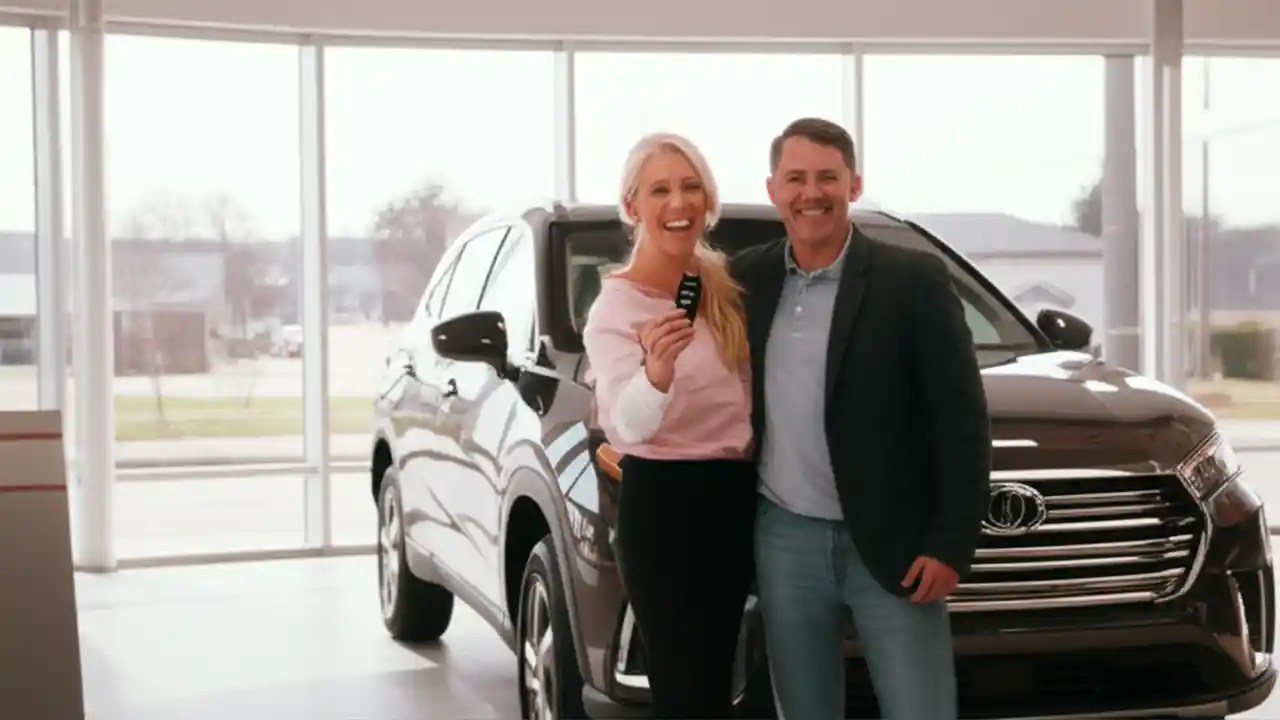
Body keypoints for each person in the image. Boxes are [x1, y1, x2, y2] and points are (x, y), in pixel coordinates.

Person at [729, 117, 991, 719]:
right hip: (784, 538)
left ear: (854, 183)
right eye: (795, 178)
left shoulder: (912, 280)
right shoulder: (748, 279)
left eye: (827, 176)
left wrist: (951, 543)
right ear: (773, 188)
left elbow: (961, 420)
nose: (811, 192)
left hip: (894, 543)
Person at [581, 132, 757, 718]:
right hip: (666, 506)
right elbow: (627, 429)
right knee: (688, 691)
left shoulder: (719, 287)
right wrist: (655, 374)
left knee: (720, 682)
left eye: (690, 187)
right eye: (660, 190)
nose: (678, 203)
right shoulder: (616, 307)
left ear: (707, 201)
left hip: (735, 497)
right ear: (632, 207)